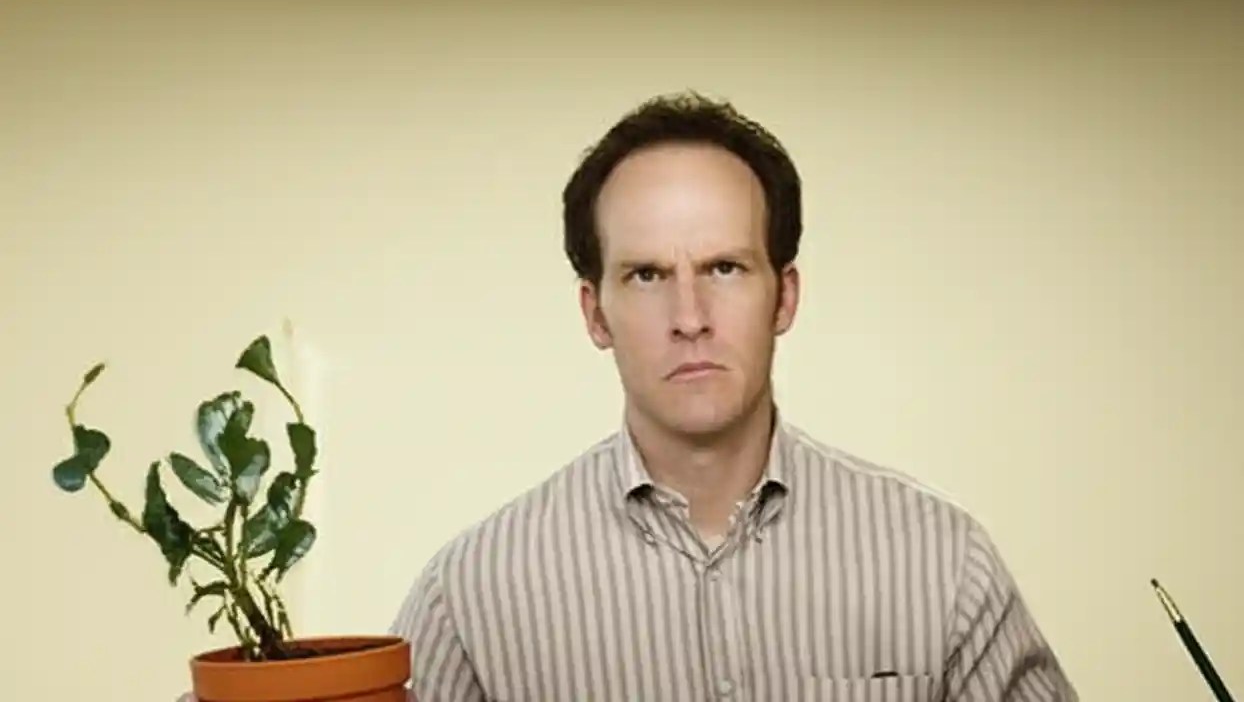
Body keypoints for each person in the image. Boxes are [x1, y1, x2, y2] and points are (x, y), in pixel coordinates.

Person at [389, 91, 1078, 701]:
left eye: (725, 267)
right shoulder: (472, 596)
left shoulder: (942, 562)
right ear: (595, 314)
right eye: (647, 275)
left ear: (785, 296)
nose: (690, 317)